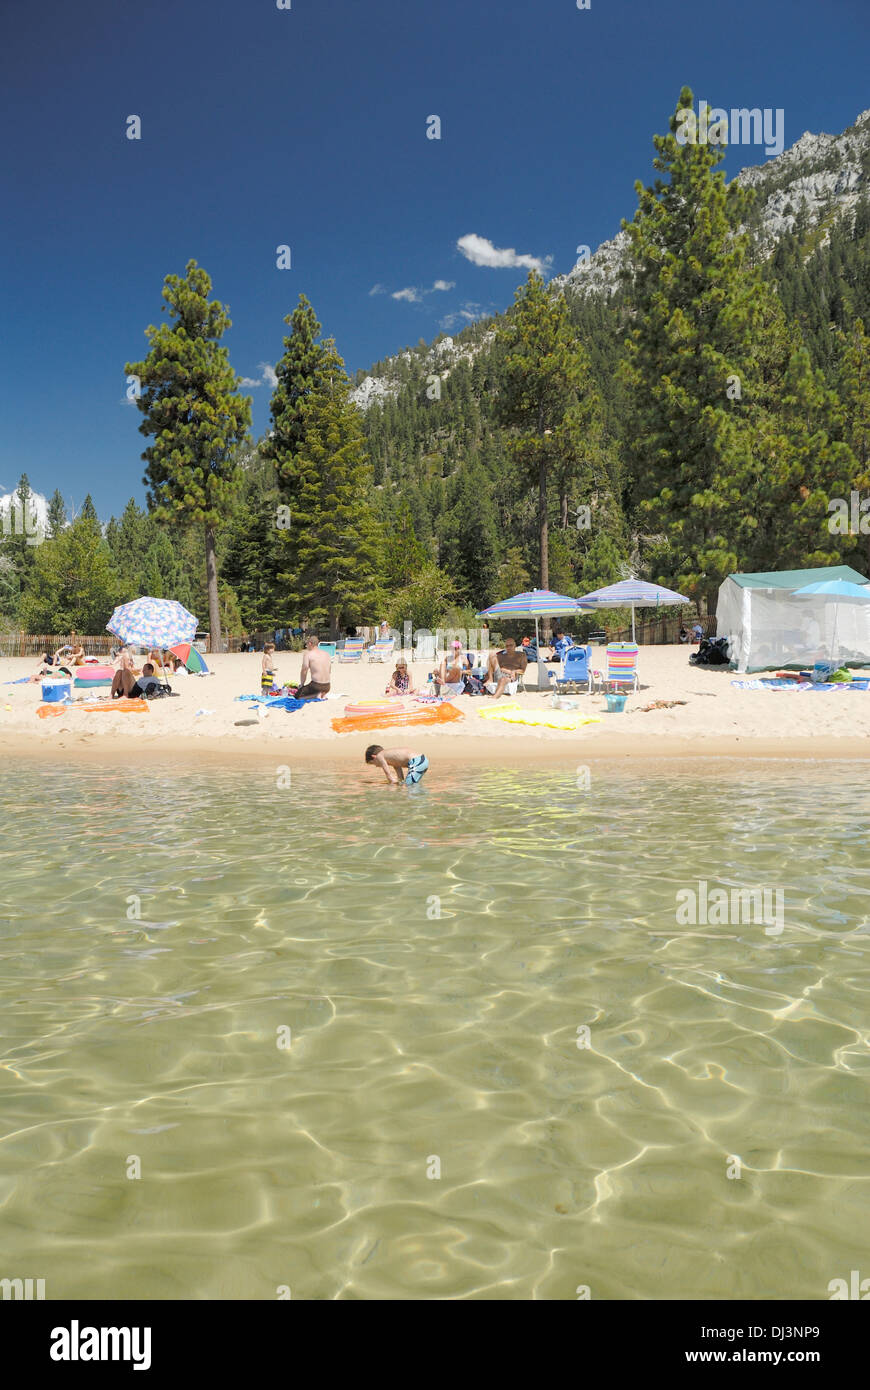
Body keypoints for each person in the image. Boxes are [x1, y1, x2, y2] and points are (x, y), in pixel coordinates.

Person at [365, 744, 429, 786]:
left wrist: (391, 787)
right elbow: (400, 779)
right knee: (412, 785)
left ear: (374, 757)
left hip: (416, 761)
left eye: (373, 763)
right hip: (422, 760)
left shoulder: (379, 756)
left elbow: (389, 776)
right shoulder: (393, 760)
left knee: (409, 786)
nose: (376, 766)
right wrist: (399, 784)